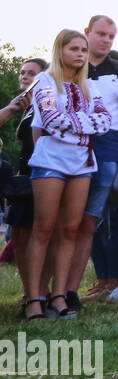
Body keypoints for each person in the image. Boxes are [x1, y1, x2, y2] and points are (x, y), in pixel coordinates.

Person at [23, 31, 112, 320]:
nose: (80, 54)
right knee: (43, 228)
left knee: (70, 230)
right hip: (50, 161)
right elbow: (51, 119)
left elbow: (105, 122)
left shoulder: (90, 86)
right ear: (59, 50)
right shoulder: (45, 82)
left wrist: (73, 125)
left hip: (82, 164)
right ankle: (33, 298)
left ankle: (58, 295)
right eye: (74, 48)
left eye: (83, 50)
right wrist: (84, 123)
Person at [67, 15, 118, 308]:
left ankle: (82, 287)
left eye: (112, 36)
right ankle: (56, 290)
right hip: (68, 146)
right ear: (87, 32)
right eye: (101, 34)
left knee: (96, 220)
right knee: (67, 222)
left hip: (107, 148)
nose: (107, 40)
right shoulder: (68, 67)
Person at [1, 58, 48, 302]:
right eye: (22, 72)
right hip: (23, 176)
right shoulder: (24, 107)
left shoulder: (47, 103)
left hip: (40, 175)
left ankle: (41, 291)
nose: (24, 77)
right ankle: (29, 290)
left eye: (31, 73)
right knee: (18, 238)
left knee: (34, 237)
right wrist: (10, 109)